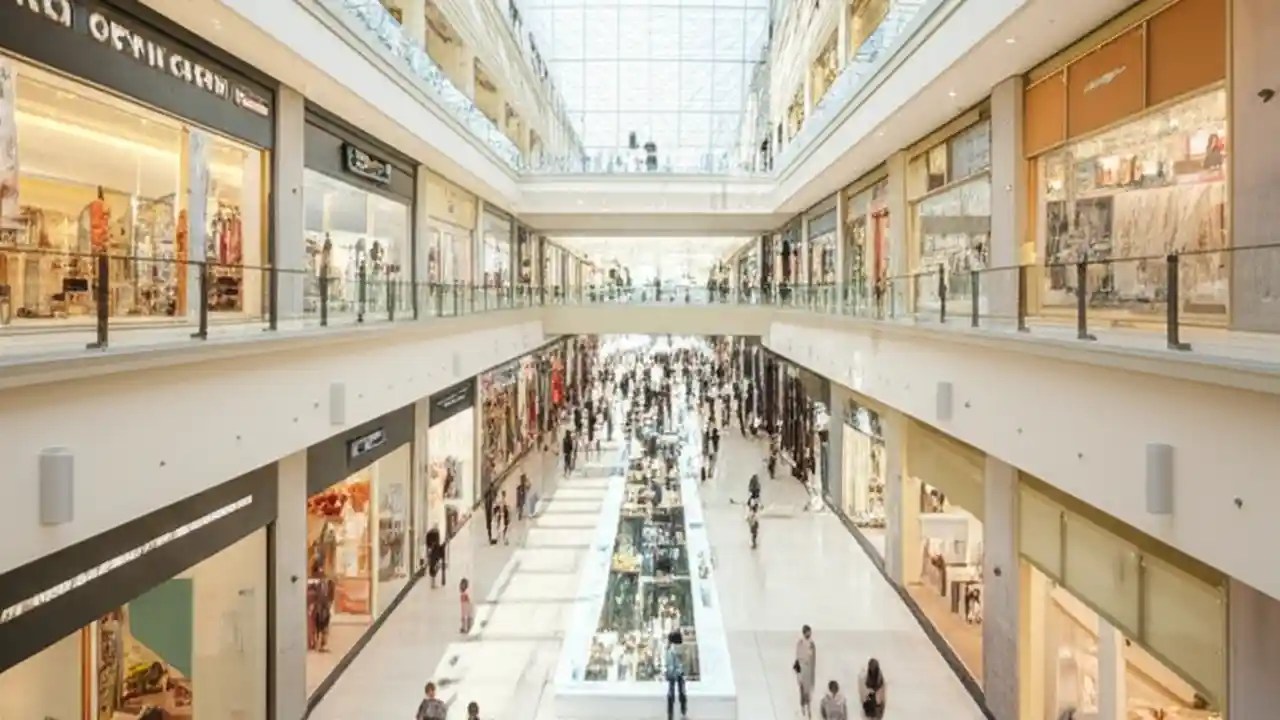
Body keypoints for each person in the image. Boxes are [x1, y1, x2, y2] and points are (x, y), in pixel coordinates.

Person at [794, 625, 817, 718]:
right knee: (802, 689)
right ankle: (802, 707)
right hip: (802, 669)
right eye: (808, 632)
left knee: (809, 690)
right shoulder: (800, 643)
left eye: (810, 632)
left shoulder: (812, 644)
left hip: (809, 670)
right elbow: (798, 657)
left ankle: (809, 708)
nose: (809, 634)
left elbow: (814, 658)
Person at [665, 630, 688, 720]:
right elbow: (685, 662)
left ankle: (670, 713)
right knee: (682, 692)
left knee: (671, 693)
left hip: (672, 673)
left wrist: (669, 672)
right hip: (680, 673)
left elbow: (669, 662)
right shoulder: (683, 649)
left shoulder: (670, 649)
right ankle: (683, 710)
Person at [425, 524, 443, 588]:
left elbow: (428, 544)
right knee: (433, 567)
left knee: (434, 567)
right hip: (434, 554)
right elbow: (436, 544)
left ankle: (433, 583)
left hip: (434, 554)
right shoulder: (434, 534)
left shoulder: (431, 534)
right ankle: (432, 584)